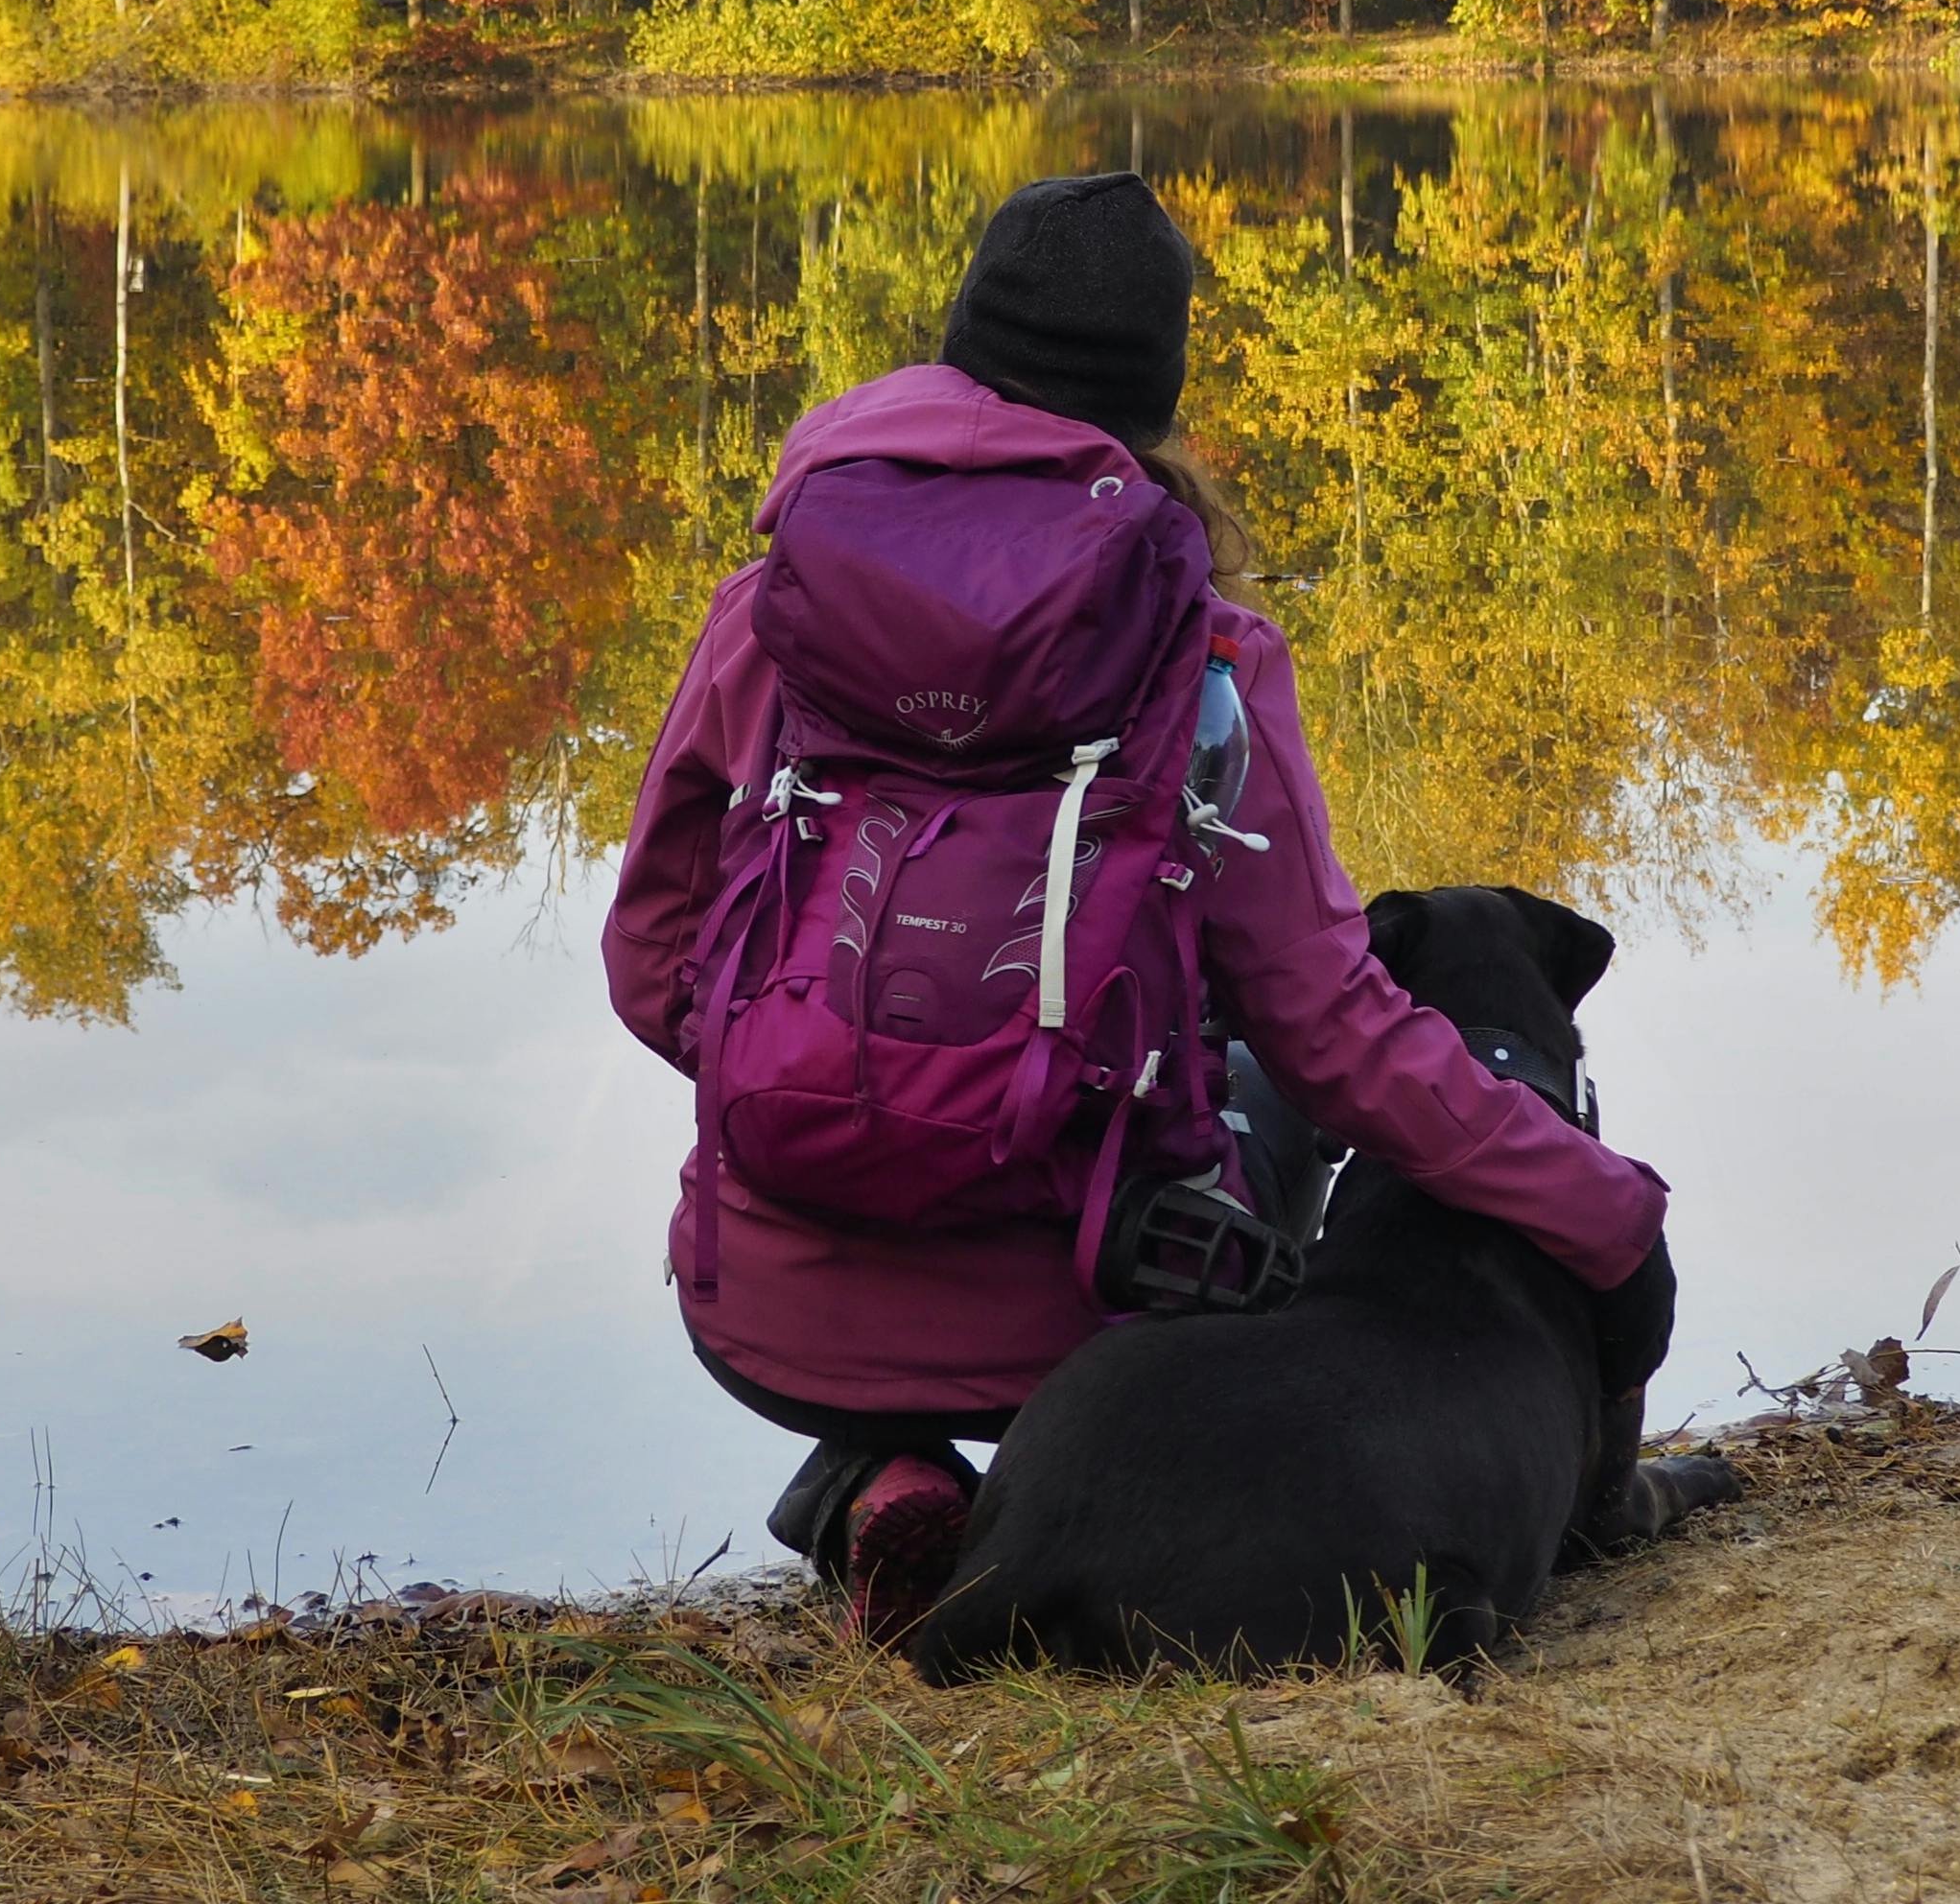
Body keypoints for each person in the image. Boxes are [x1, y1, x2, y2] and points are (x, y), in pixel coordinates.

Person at [602, 171, 1676, 1638]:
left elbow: (653, 958)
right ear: (1154, 397)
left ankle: (868, 1477)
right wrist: (1594, 1201)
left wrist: (842, 1086)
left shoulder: (770, 601)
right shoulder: (1208, 653)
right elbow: (1338, 1036)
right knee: (1260, 1072)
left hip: (762, 1304)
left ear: (957, 345)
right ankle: (1004, 1475)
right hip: (1100, 1330)